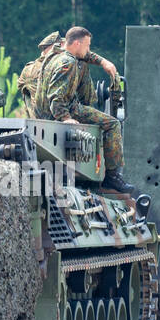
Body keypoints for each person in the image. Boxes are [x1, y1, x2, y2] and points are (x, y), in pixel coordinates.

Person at [33, 26, 134, 194]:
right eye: (87, 45)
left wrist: (103, 62)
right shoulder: (68, 63)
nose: (89, 50)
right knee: (112, 124)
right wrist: (65, 118)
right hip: (64, 110)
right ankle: (112, 176)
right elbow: (56, 97)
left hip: (46, 111)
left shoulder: (55, 55)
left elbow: (85, 56)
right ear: (78, 43)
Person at [19, 31, 121, 118]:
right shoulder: (53, 66)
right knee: (81, 64)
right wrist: (103, 62)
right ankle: (89, 108)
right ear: (53, 48)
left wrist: (103, 61)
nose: (65, 49)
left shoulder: (29, 69)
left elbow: (83, 54)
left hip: (38, 120)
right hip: (55, 116)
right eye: (61, 45)